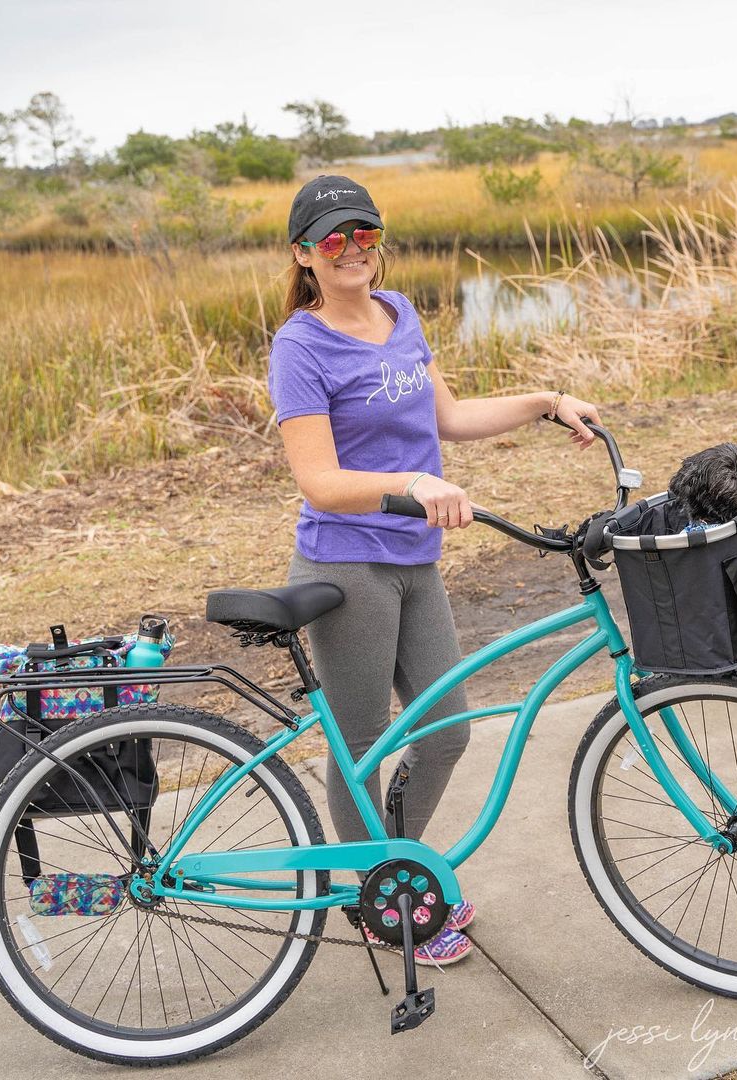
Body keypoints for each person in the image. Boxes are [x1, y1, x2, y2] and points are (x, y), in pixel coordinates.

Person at [268, 174, 603, 966]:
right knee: (361, 747)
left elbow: (448, 417)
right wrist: (413, 485)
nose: (351, 250)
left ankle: (394, 874)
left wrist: (548, 401)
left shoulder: (400, 313)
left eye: (364, 233)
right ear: (304, 254)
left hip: (416, 562)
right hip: (346, 566)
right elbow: (319, 481)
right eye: (332, 239)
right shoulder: (300, 346)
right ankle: (382, 901)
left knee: (447, 729)